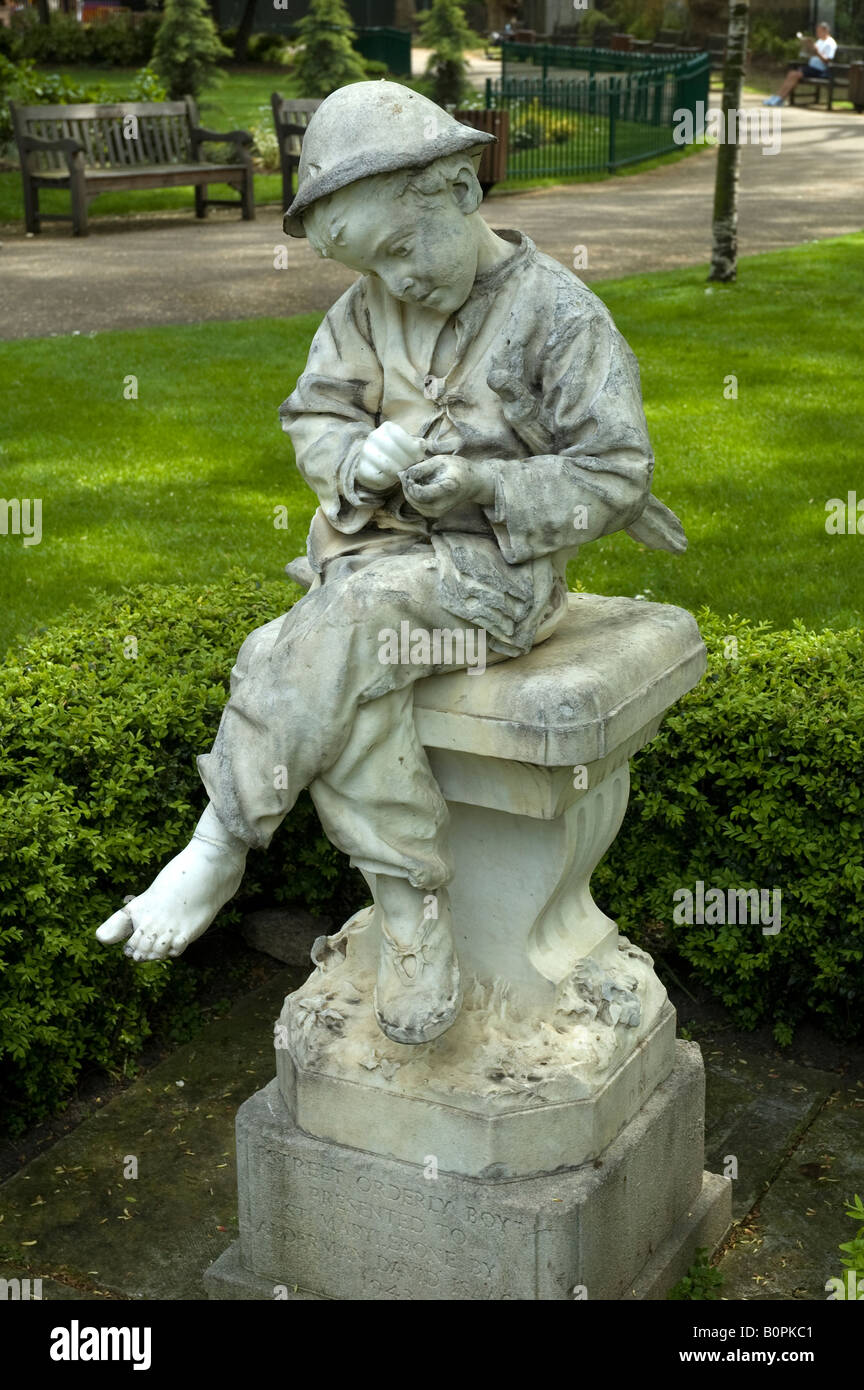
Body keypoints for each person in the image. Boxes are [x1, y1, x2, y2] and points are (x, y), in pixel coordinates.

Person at [95, 82, 685, 1047]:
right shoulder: (367, 308)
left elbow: (615, 472)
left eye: (404, 251)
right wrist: (352, 461)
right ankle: (413, 915)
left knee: (322, 639)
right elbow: (315, 413)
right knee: (325, 668)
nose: (396, 281)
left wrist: (488, 488)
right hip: (371, 563)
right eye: (374, 264)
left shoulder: (560, 316)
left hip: (492, 582)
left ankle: (220, 844)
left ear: (460, 188)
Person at [764, 22, 837, 106]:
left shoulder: (830, 43)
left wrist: (817, 52)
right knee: (791, 74)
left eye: (819, 31)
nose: (817, 33)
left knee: (795, 75)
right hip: (811, 68)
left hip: (820, 71)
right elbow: (812, 54)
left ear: (825, 30)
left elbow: (827, 61)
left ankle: (780, 99)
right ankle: (778, 97)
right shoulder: (819, 41)